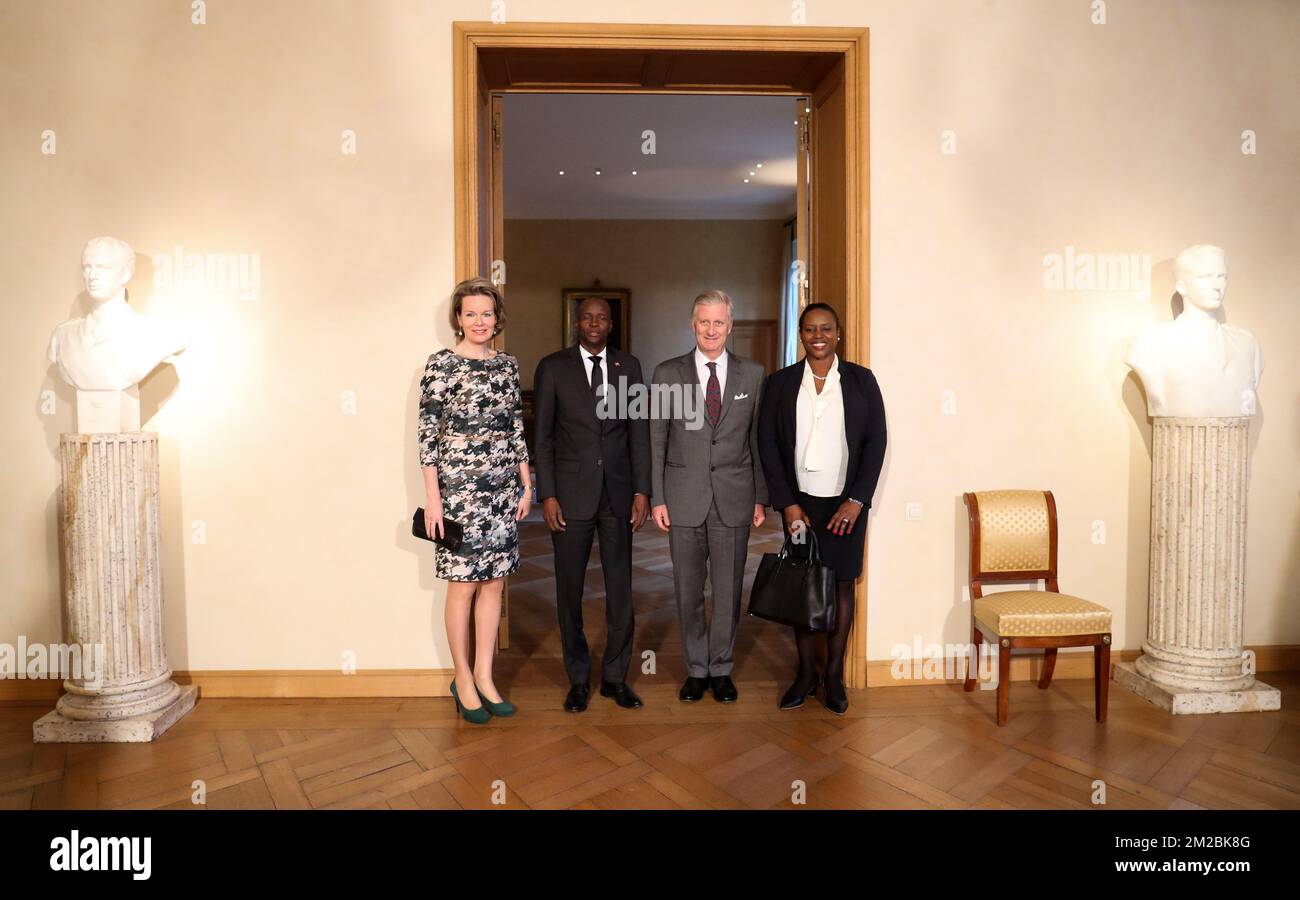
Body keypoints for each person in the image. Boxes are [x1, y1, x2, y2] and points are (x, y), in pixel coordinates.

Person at [757, 302, 886, 715]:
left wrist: (857, 500)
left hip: (846, 503)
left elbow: (875, 444)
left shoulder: (862, 382)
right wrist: (788, 504)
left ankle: (833, 676)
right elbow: (768, 446)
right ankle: (805, 674)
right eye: (810, 329)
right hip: (802, 504)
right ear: (801, 335)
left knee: (843, 585)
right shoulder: (779, 383)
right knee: (802, 586)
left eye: (826, 328)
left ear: (838, 334)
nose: (818, 335)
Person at [418, 277, 531, 724]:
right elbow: (428, 437)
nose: (480, 321)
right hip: (458, 494)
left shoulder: (507, 365)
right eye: (471, 314)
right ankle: (462, 678)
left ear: (496, 317)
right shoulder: (440, 365)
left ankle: (485, 676)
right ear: (458, 319)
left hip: (503, 491)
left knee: (495, 583)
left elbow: (516, 426)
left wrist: (527, 482)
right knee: (462, 585)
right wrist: (434, 500)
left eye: (487, 313)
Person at [533, 297, 651, 712]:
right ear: (576, 322)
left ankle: (616, 679)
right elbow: (542, 437)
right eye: (587, 317)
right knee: (570, 591)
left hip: (618, 495)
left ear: (611, 323)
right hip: (569, 497)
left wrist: (642, 491)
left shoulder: (629, 367)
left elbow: (639, 433)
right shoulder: (553, 368)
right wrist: (546, 494)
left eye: (602, 317)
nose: (595, 323)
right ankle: (578, 678)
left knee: (621, 591)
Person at [650, 289, 768, 704]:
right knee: (687, 589)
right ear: (693, 324)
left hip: (735, 496)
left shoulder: (753, 374)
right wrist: (657, 498)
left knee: (729, 588)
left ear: (730, 326)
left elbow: (757, 439)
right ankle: (695, 669)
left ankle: (721, 667)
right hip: (682, 497)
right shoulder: (668, 372)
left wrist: (760, 497)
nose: (712, 329)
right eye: (704, 322)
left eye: (719, 322)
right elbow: (657, 439)